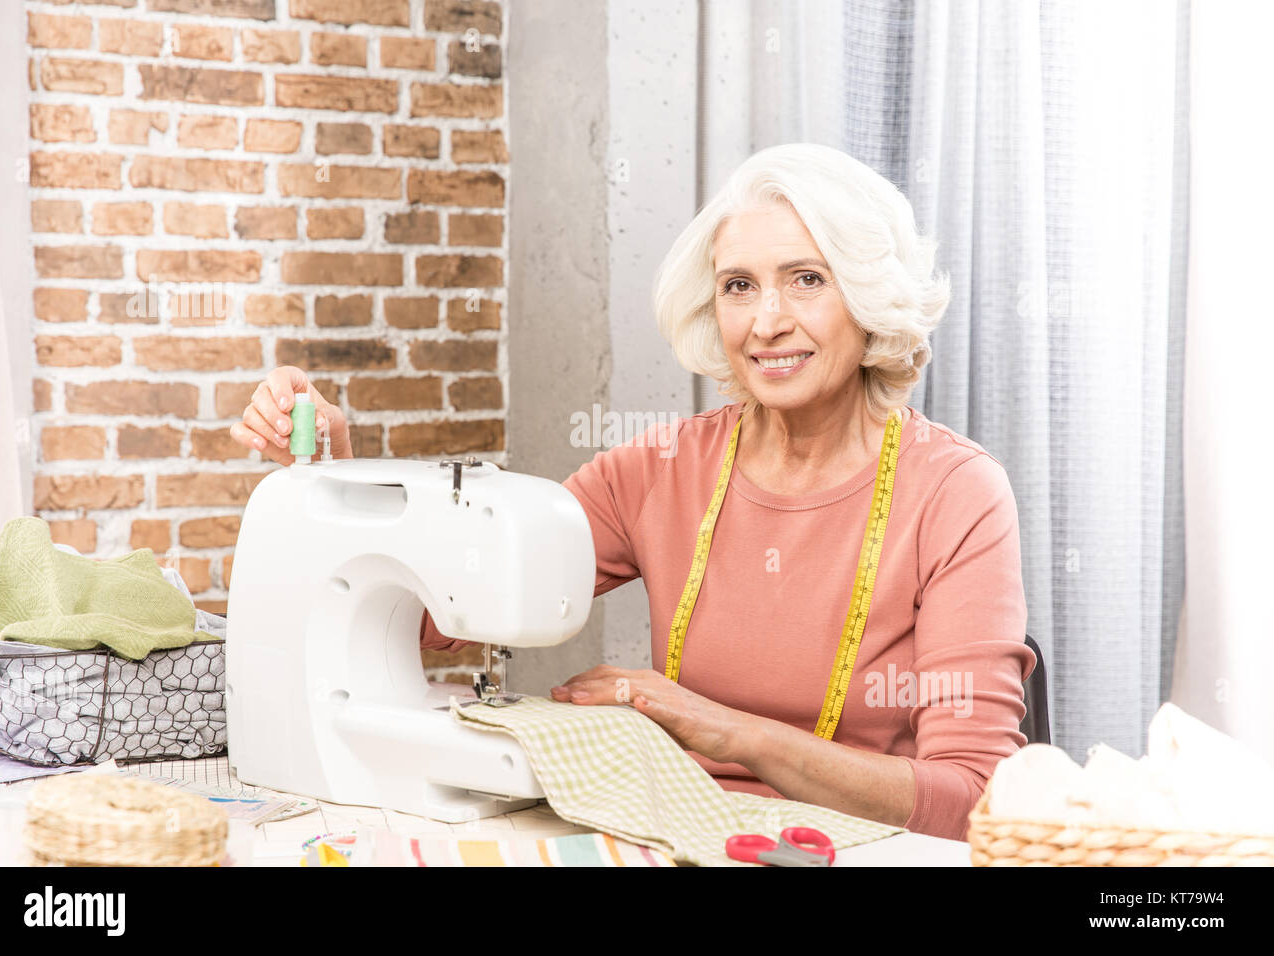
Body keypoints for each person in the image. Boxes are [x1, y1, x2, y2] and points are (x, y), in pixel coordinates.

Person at [231, 143, 1035, 842]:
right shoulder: (656, 469)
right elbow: (425, 623)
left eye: (805, 279)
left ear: (868, 295)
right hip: (675, 838)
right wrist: (337, 480)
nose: (767, 322)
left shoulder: (956, 495)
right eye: (739, 286)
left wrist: (725, 730)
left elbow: (973, 800)